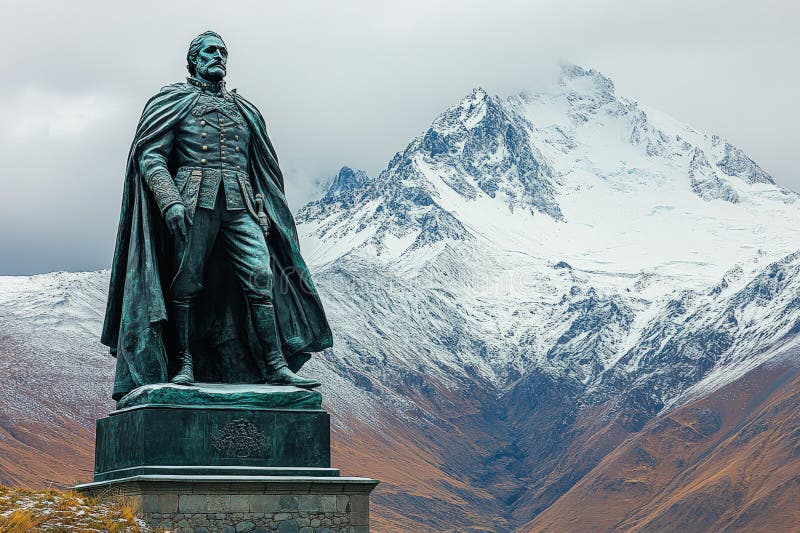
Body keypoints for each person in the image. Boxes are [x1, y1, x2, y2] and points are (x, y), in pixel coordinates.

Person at [101, 31, 332, 400]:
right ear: (193, 59)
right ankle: (185, 363)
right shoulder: (172, 100)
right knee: (186, 281)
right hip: (193, 201)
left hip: (240, 204)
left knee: (261, 274)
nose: (218, 56)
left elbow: (259, 169)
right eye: (210, 51)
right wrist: (169, 201)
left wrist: (262, 208)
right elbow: (151, 155)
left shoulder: (246, 110)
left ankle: (275, 365)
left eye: (223, 51)